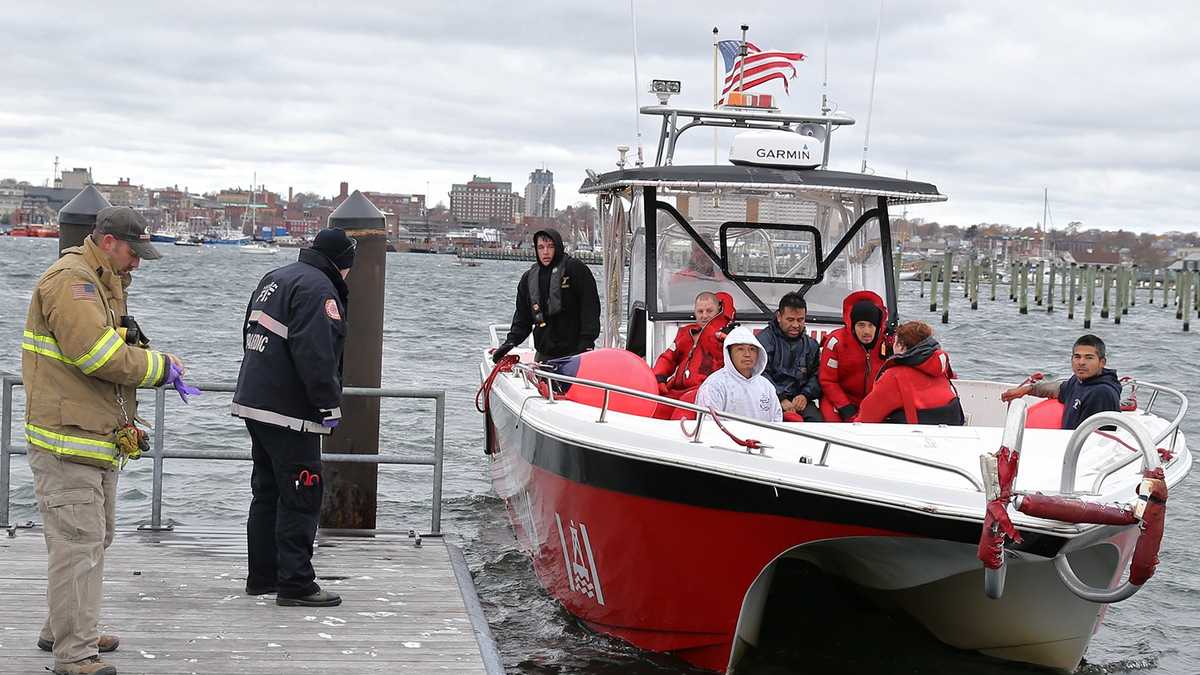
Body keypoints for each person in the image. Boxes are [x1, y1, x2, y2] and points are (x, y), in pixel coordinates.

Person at [22, 206, 194, 675]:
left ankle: (64, 626)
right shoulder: (72, 282)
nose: (137, 263)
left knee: (94, 540)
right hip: (67, 441)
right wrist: (158, 367)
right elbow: (95, 354)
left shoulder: (102, 282)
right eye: (133, 253)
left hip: (92, 437)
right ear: (107, 241)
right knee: (79, 543)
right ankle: (75, 655)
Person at [232, 228, 356, 609]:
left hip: (254, 399)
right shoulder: (320, 290)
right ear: (343, 263)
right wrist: (328, 406)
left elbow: (247, 332)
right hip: (291, 411)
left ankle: (262, 577)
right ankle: (297, 583)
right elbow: (316, 354)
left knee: (267, 491)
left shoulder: (275, 278)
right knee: (302, 494)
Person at [493, 228, 600, 363]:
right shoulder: (528, 279)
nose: (545, 252)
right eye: (541, 247)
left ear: (558, 246)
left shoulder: (575, 269)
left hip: (575, 354)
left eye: (550, 247)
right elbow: (522, 318)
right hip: (544, 354)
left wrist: (587, 342)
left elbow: (590, 307)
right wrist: (509, 343)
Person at [1000, 334, 1121, 430]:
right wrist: (1028, 389)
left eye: (1089, 357)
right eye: (1077, 357)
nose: (1081, 362)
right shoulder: (1077, 382)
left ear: (1102, 362)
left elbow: (1100, 440)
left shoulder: (1102, 393)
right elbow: (1058, 388)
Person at [855, 321, 965, 425]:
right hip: (949, 435)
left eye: (895, 342)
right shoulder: (942, 370)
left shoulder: (893, 377)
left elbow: (865, 419)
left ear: (900, 346)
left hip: (911, 439)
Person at [818, 290, 889, 422]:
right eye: (861, 325)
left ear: (878, 326)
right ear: (852, 325)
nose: (866, 331)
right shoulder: (835, 342)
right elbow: (828, 380)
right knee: (833, 425)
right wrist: (845, 407)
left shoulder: (889, 343)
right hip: (841, 400)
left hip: (874, 401)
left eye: (871, 325)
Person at [652, 291, 736, 399]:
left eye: (709, 311)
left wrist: (728, 341)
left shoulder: (727, 337)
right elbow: (668, 358)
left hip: (704, 393)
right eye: (700, 311)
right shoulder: (685, 333)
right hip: (676, 391)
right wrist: (659, 378)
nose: (704, 315)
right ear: (695, 312)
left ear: (718, 310)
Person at [696, 325, 783, 423]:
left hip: (762, 437)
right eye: (740, 349)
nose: (747, 354)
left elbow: (777, 420)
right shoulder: (714, 385)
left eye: (752, 349)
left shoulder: (766, 386)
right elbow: (709, 424)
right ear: (729, 353)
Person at [757, 292, 822, 422]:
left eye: (800, 320)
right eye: (790, 319)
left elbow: (817, 375)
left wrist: (805, 395)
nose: (796, 325)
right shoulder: (763, 340)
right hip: (768, 398)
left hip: (800, 401)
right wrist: (780, 398)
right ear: (779, 316)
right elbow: (760, 373)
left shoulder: (811, 345)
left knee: (817, 423)